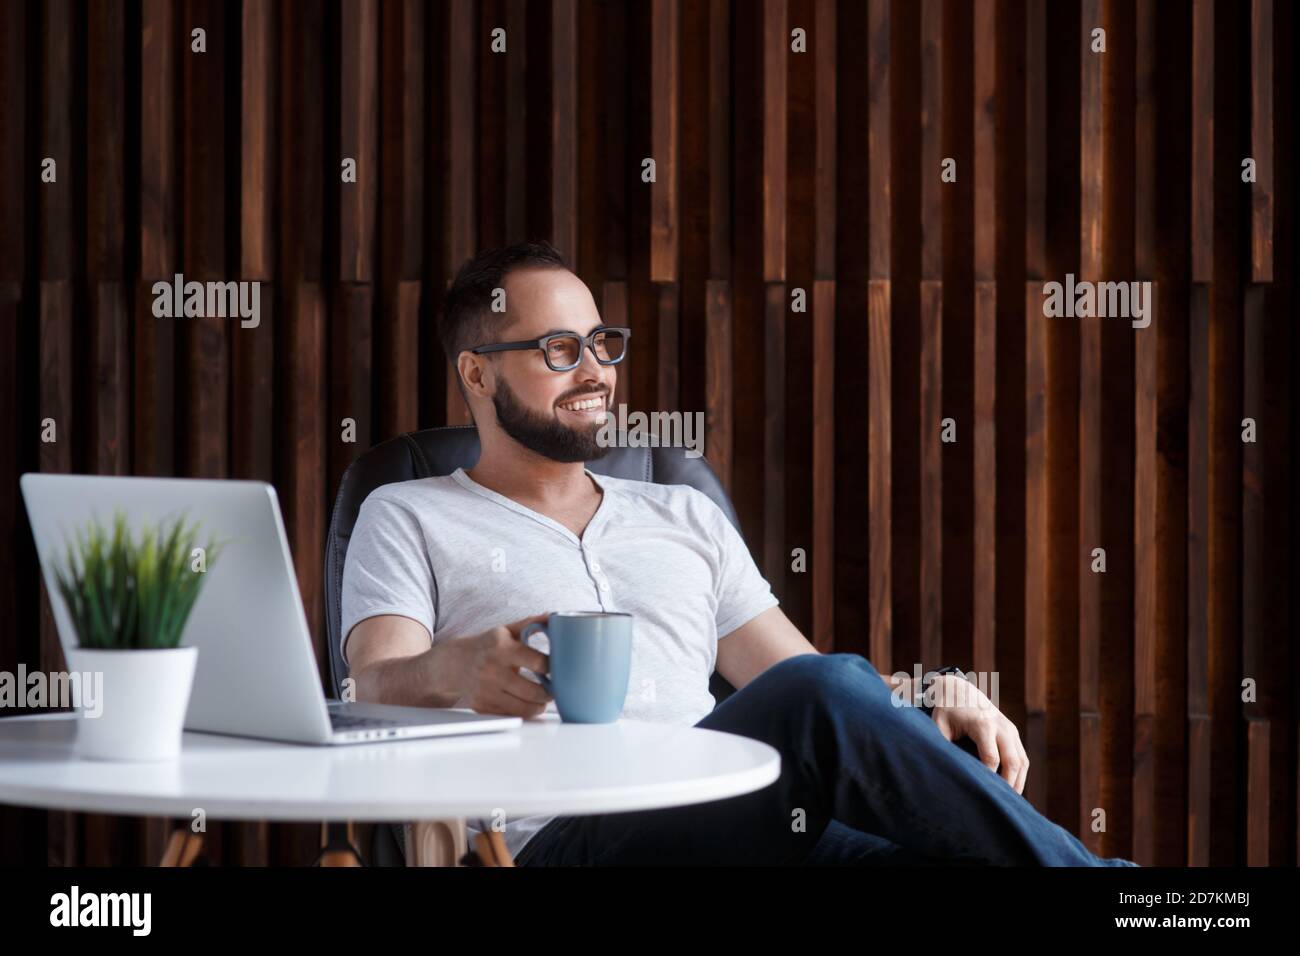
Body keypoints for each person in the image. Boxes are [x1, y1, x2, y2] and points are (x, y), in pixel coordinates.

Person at [341, 239, 1137, 867]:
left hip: (741, 823)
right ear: (477, 373)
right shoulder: (408, 511)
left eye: (601, 342)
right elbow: (371, 685)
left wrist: (931, 689)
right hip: (563, 841)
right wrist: (456, 669)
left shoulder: (681, 511)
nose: (595, 372)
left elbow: (816, 692)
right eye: (557, 349)